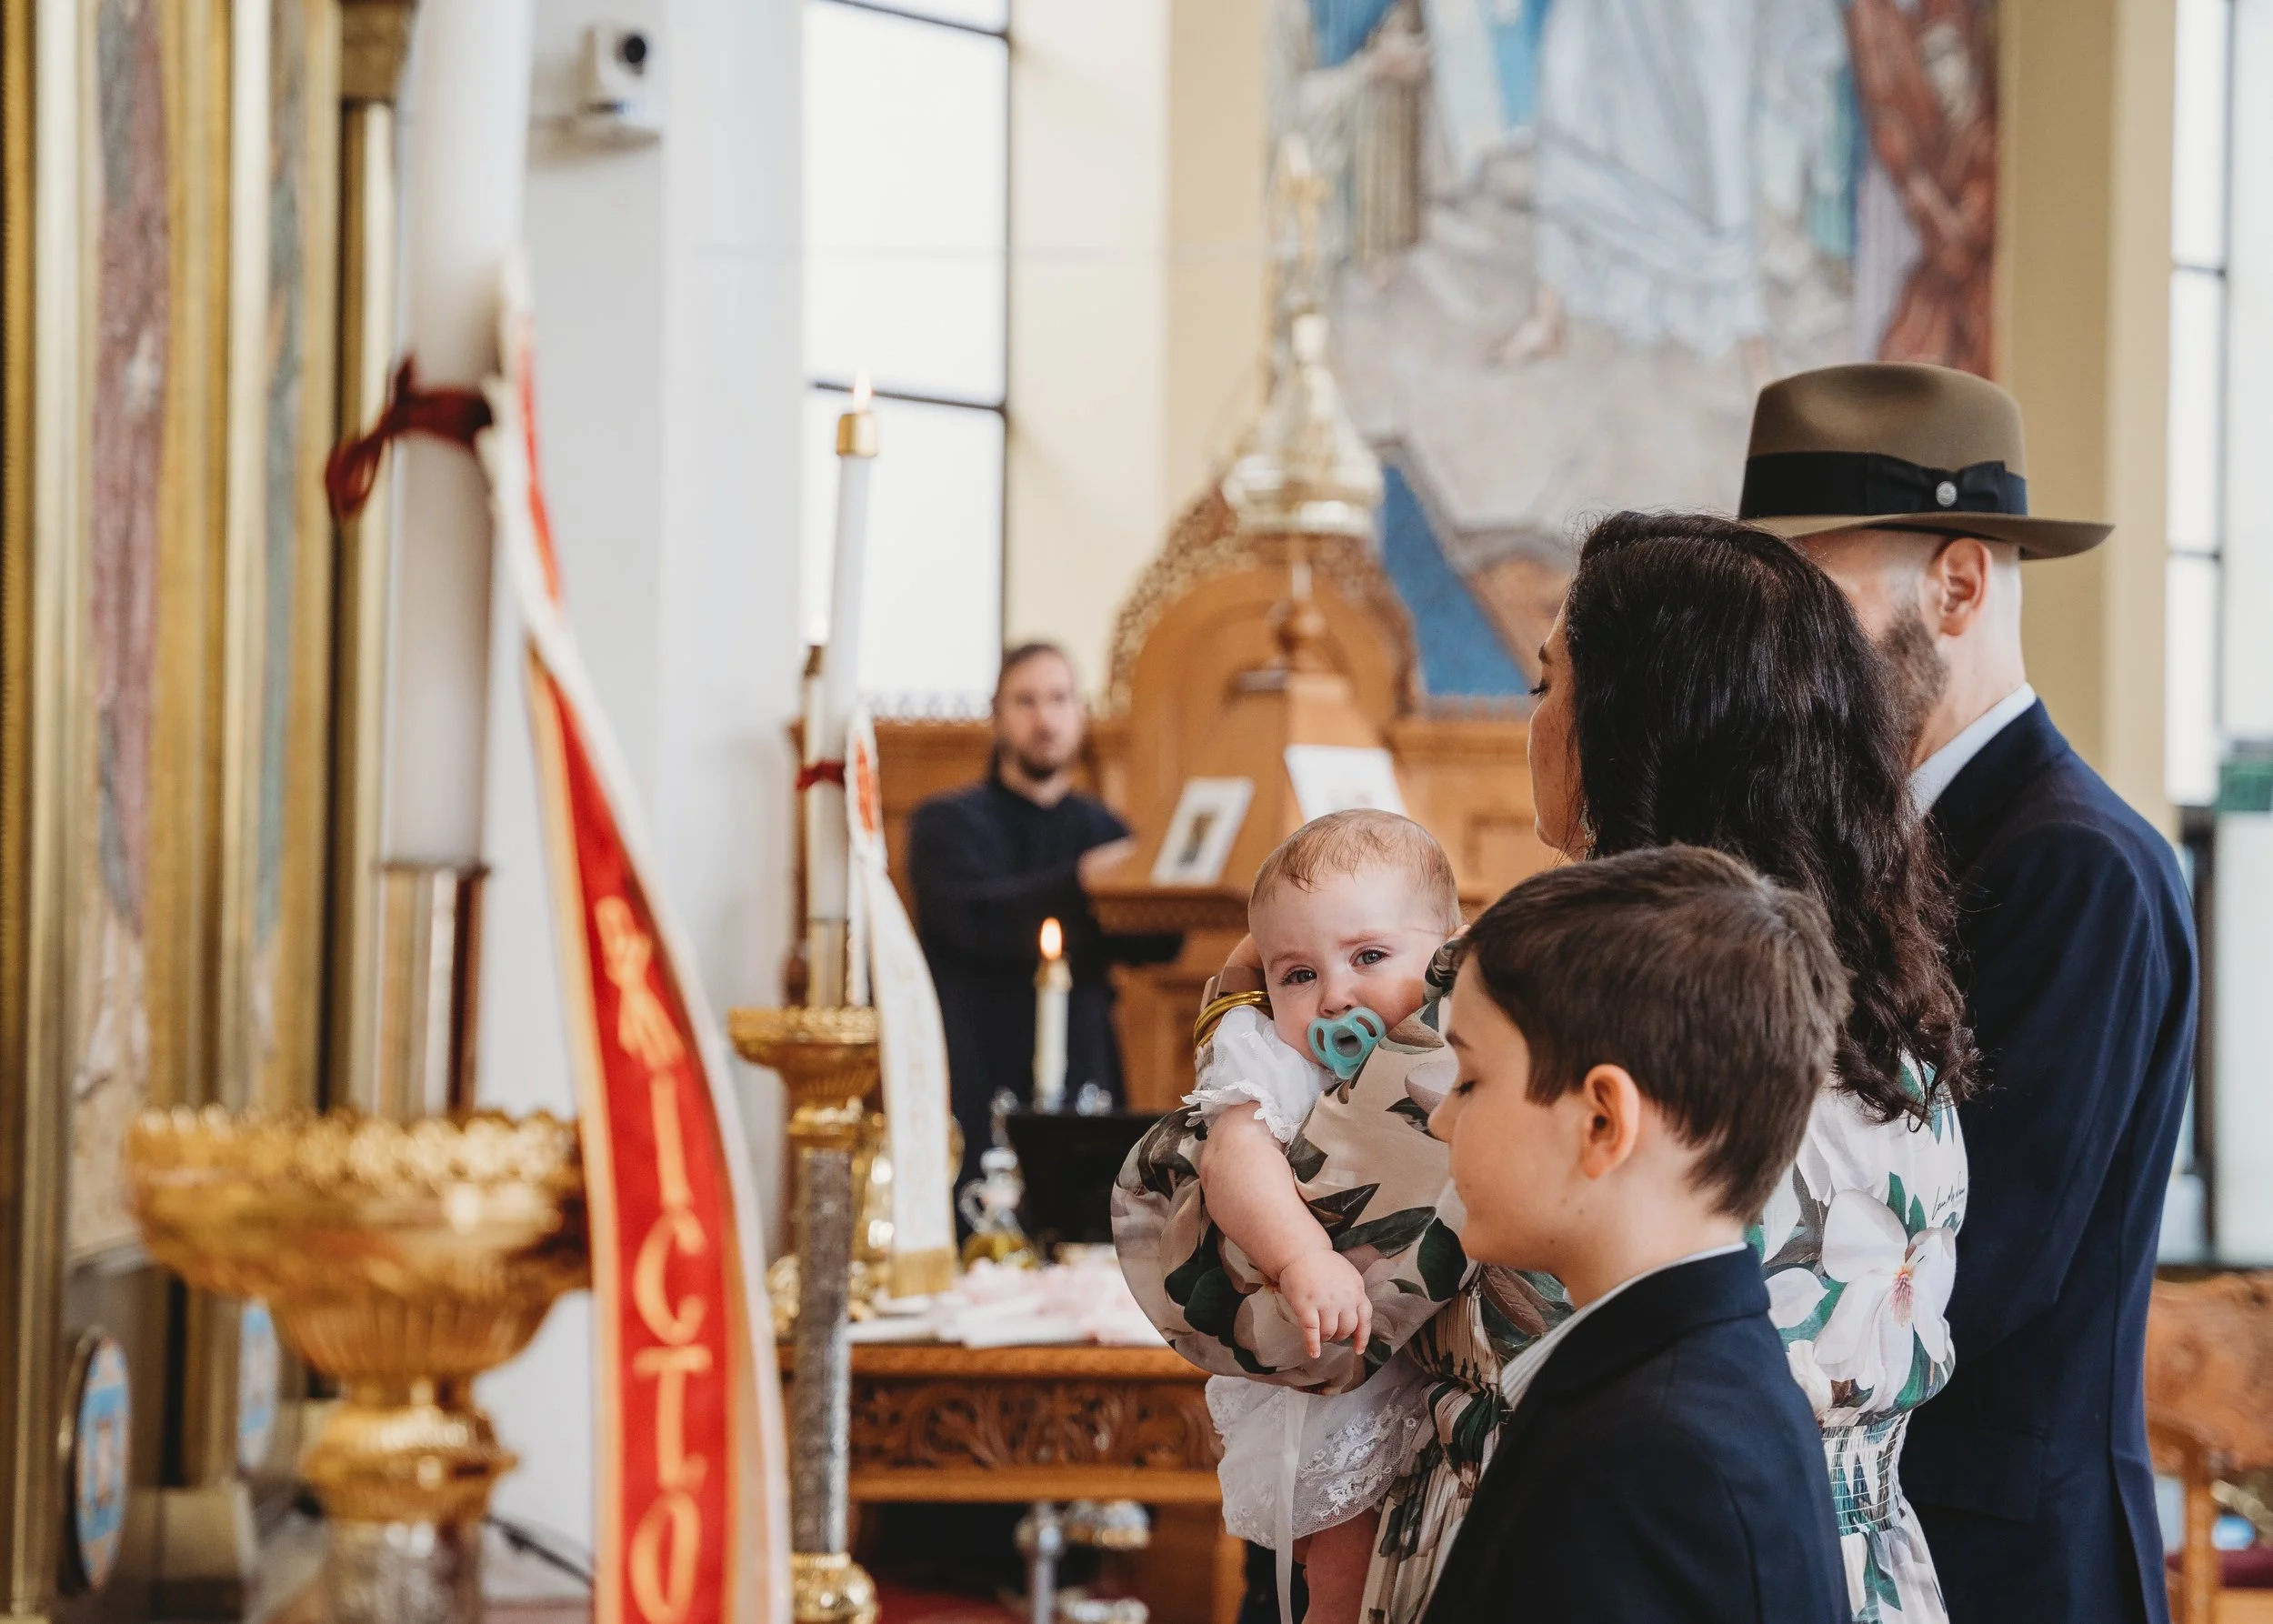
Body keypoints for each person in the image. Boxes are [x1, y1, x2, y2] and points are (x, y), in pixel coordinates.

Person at [1118, 511, 1973, 1624]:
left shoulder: (1536, 1002)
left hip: (1561, 1555)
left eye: (1544, 686)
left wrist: (1238, 1020)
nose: (1533, 723)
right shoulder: (1896, 1004)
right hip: (1842, 1567)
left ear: (1626, 729)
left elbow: (1245, 1307)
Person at [1738, 362, 2198, 1624]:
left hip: (2004, 1552)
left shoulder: (2075, 863)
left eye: (1820, 609)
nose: (1794, 664)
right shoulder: (1874, 847)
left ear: (1956, 582)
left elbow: (1979, 1262)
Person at [1422, 846, 1852, 1624]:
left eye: (1471, 1080)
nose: (1440, 1117)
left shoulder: (1652, 1456)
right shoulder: (1675, 1376)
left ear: (1602, 1120)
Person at [1189, 811, 1464, 1624]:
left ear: (1449, 952)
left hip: (1435, 1365)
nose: (1335, 994)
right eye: (1296, 974)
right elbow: (1231, 1162)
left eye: (1369, 957)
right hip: (1340, 1365)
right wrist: (1303, 1255)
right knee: (1340, 1577)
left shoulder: (1462, 1034)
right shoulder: (1271, 1055)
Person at [908, 644, 1178, 1193]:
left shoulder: (1105, 832)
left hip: (1083, 1069)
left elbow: (1160, 942)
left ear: (1081, 713)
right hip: (978, 1067)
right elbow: (975, 921)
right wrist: (1084, 883)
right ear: (997, 716)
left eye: (1058, 699)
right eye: (1025, 701)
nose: (1044, 719)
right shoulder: (945, 824)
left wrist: (1181, 868)